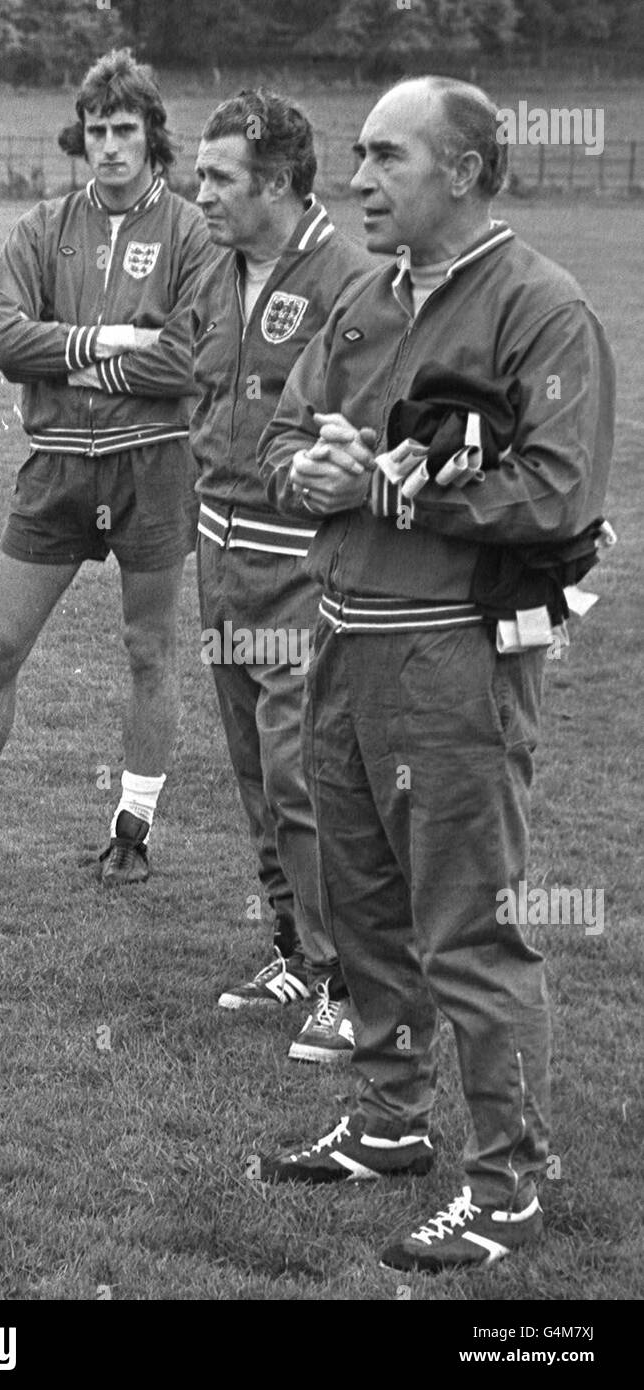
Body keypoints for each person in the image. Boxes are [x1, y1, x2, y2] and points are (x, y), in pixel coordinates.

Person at [255, 76, 615, 1269]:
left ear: (459, 172)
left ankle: (507, 1182)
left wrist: (381, 485)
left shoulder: (538, 305)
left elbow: (558, 493)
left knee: (468, 927)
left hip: (452, 657)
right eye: (357, 155)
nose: (356, 178)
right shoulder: (363, 294)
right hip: (341, 637)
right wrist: (306, 463)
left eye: (385, 158)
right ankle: (387, 1120)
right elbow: (282, 423)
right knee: (358, 905)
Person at [0, 49, 215, 885]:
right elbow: (6, 341)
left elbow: (187, 362)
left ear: (151, 135)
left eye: (125, 129)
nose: (109, 147)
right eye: (96, 131)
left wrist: (64, 358)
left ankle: (131, 830)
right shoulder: (43, 227)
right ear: (81, 136)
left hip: (153, 468)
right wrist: (114, 341)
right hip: (56, 467)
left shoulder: (192, 231)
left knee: (146, 650)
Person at [191, 91, 372, 1061]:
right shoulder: (211, 271)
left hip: (298, 566)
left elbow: (368, 425)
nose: (200, 190)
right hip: (216, 560)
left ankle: (350, 980)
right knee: (254, 773)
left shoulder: (351, 282)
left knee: (304, 777)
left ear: (276, 182)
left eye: (219, 176)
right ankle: (292, 949)